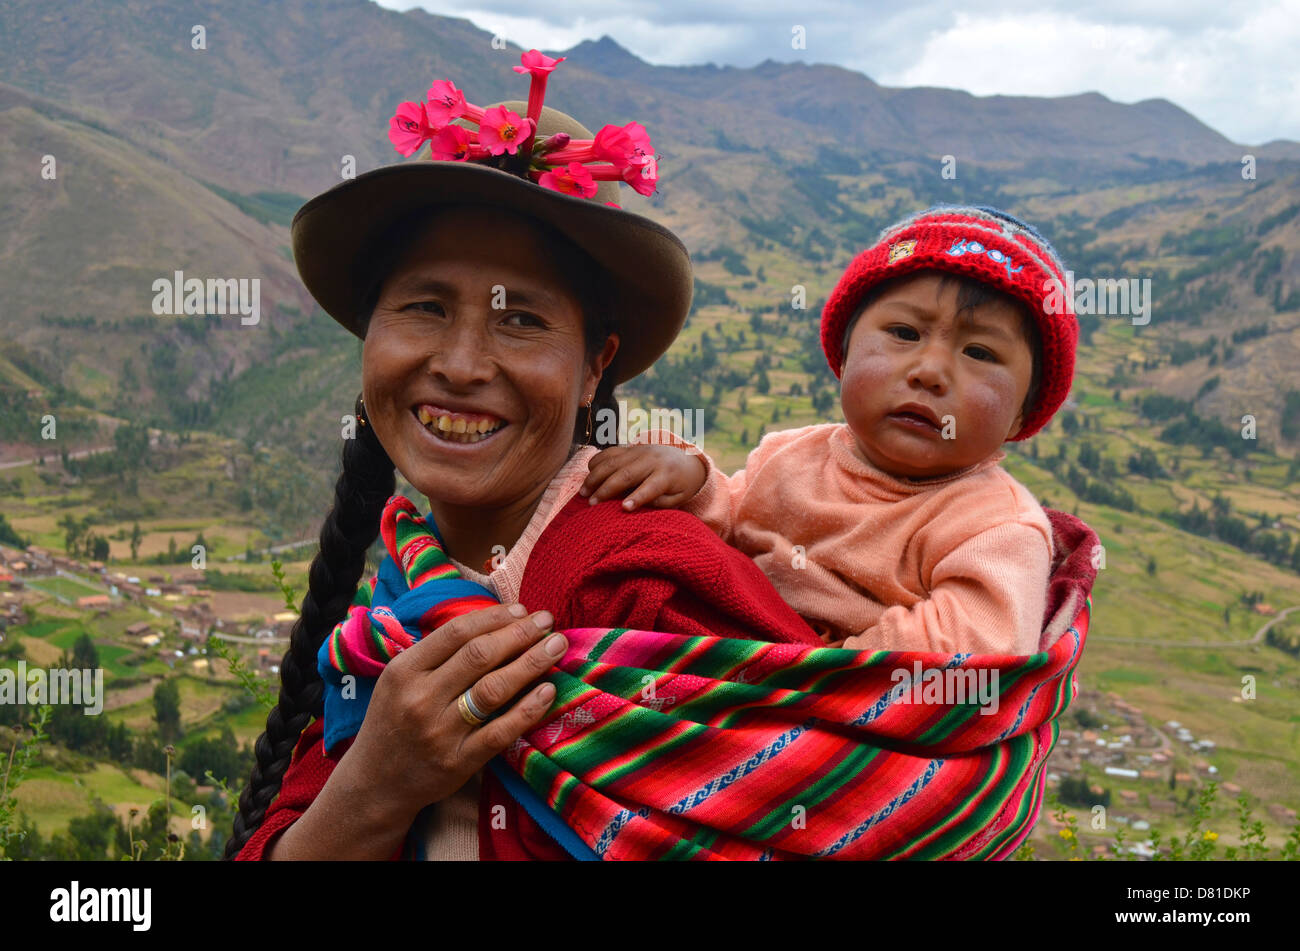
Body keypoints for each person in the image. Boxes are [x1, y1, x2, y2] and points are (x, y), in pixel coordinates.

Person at [225, 59, 828, 861]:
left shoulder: (658, 581)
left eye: (521, 321)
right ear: (370, 337)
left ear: (592, 368)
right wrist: (378, 784)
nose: (464, 363)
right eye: (425, 307)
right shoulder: (413, 583)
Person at [580, 205, 1079, 656]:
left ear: (1021, 414)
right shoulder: (789, 456)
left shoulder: (996, 528)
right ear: (844, 352)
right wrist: (691, 479)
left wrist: (812, 668)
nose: (930, 371)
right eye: (904, 333)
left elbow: (974, 652)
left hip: (837, 708)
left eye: (979, 353)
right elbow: (730, 524)